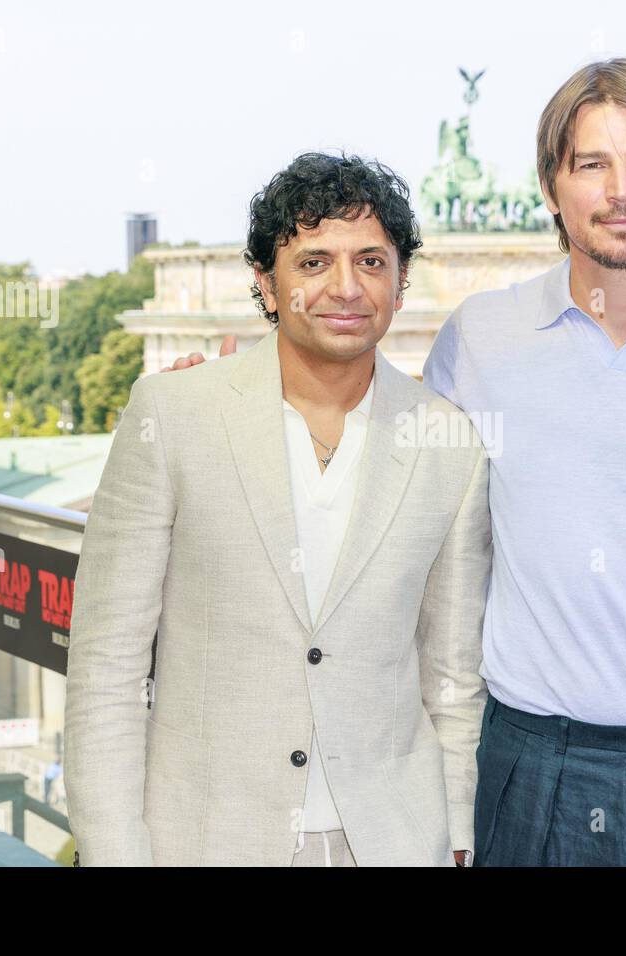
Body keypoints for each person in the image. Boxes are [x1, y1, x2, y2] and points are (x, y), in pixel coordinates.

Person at [168, 58, 626, 867]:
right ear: (552, 189)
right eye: (591, 164)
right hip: (534, 774)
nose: (620, 189)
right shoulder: (480, 339)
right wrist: (230, 399)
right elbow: (379, 476)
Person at [64, 153, 491, 866]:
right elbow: (107, 668)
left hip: (391, 841)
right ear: (267, 282)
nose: (346, 288)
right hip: (206, 842)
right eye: (315, 261)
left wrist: (456, 837)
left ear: (402, 282)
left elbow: (451, 681)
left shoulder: (451, 445)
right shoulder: (173, 417)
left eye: (372, 262)